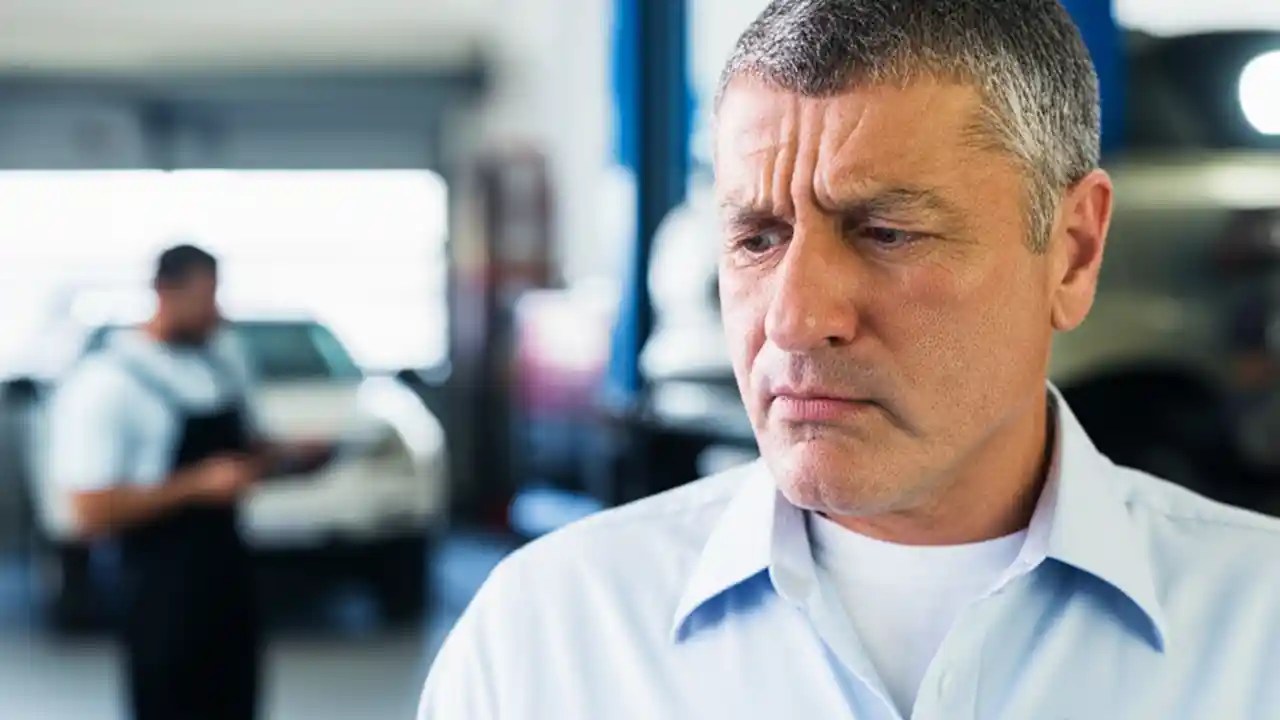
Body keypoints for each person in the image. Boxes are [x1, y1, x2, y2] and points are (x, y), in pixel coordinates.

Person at [420, 1, 1280, 718]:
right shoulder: (547, 643)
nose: (793, 321)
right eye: (756, 239)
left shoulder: (1256, 637)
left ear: (1074, 252)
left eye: (887, 233)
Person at [50, 245, 331, 720]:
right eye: (205, 296)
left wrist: (289, 455)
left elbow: (247, 445)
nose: (216, 310)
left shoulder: (222, 360)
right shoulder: (107, 382)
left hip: (228, 572)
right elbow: (87, 511)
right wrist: (195, 486)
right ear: (164, 292)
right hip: (159, 587)